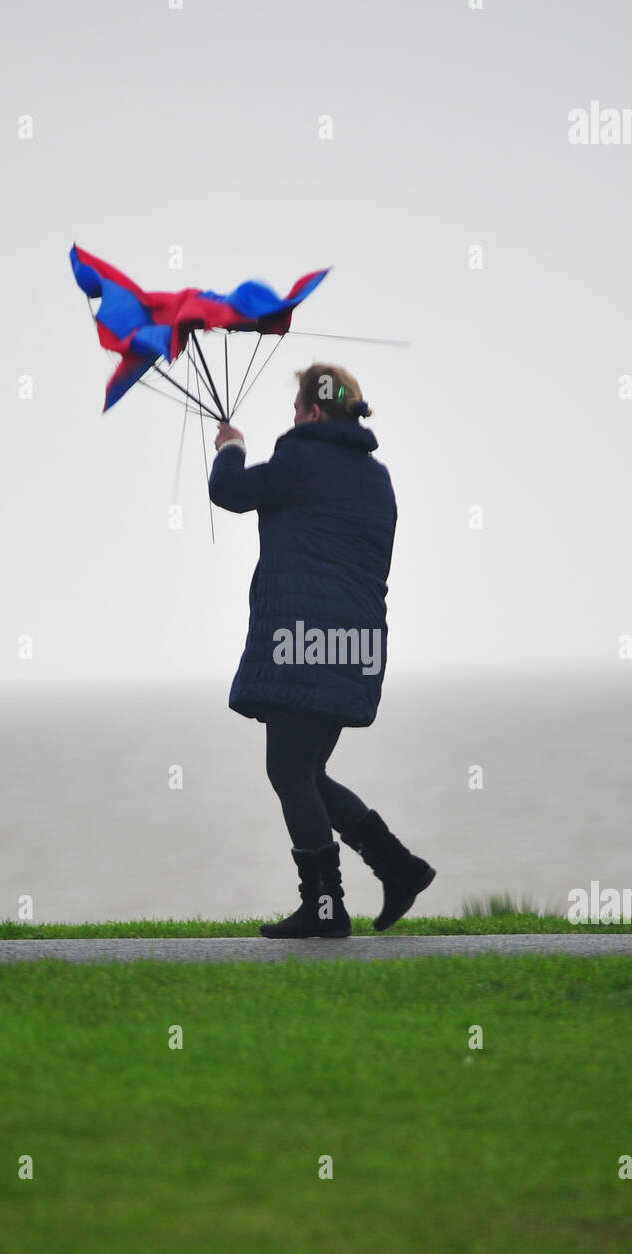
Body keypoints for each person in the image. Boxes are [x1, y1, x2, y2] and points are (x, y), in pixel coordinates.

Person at [209, 363, 435, 938]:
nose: (292, 418)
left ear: (312, 411)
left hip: (301, 643)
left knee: (288, 770)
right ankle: (398, 868)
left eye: (295, 409)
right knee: (307, 769)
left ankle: (326, 908)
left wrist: (231, 447)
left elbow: (229, 492)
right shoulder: (376, 478)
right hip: (352, 646)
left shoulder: (299, 461)